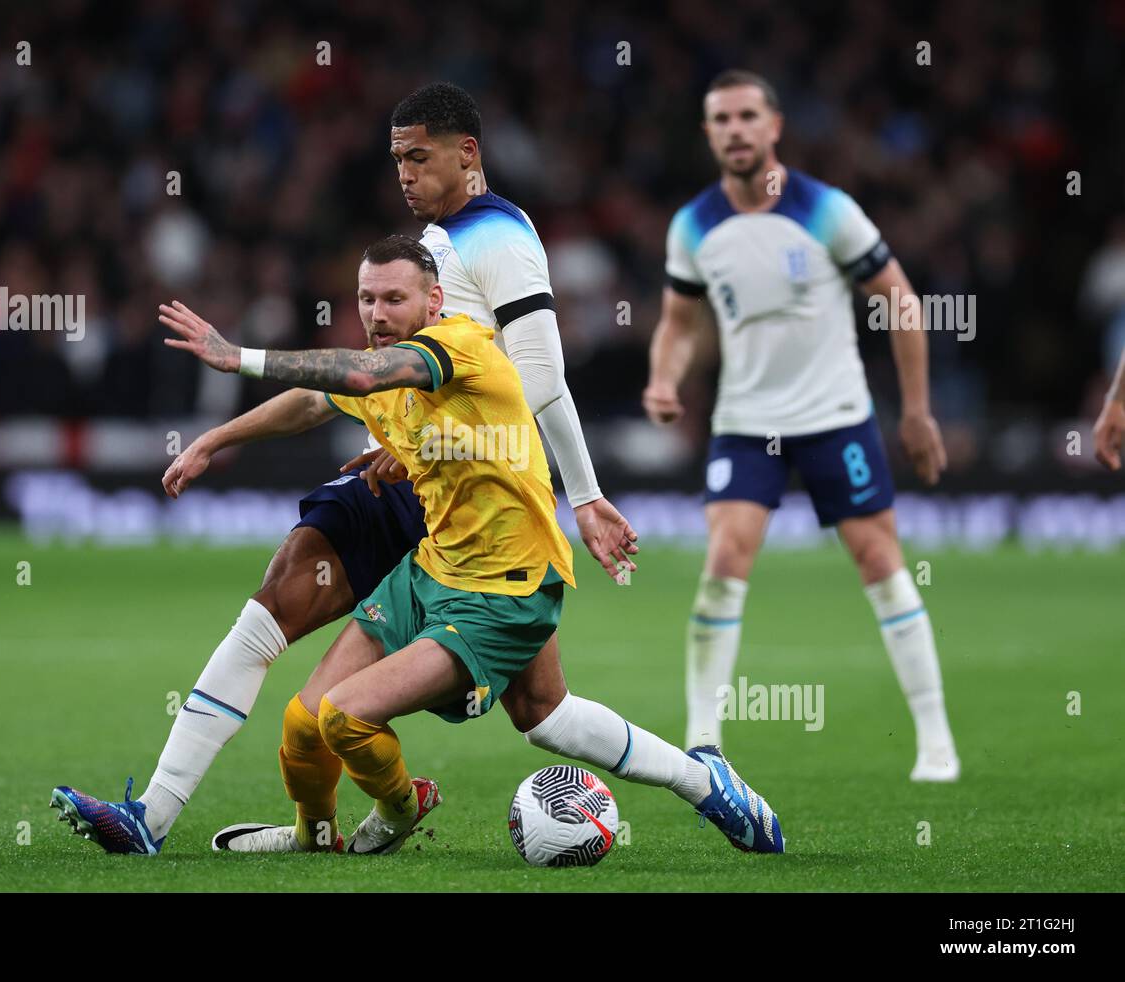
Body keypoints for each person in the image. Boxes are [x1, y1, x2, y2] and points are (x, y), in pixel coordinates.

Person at [49, 84, 660, 855]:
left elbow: (537, 378)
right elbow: (360, 378)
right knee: (278, 599)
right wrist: (222, 438)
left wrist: (577, 491)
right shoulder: (430, 246)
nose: (402, 173)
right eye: (396, 157)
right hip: (409, 476)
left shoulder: (498, 238)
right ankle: (155, 816)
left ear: (466, 154)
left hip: (467, 494)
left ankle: (697, 781)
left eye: (417, 156)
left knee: (541, 712)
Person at [143, 235, 780, 855]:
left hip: (505, 590)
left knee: (345, 718)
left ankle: (400, 810)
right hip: (432, 572)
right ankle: (317, 837)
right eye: (366, 298)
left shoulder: (457, 347)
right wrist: (213, 440)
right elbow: (315, 398)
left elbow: (364, 377)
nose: (376, 313)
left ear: (434, 301)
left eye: (394, 298)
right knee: (320, 726)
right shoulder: (381, 372)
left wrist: (241, 357)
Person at [643, 69, 959, 781]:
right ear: (708, 133)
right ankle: (704, 741)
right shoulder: (693, 225)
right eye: (721, 119)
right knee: (724, 561)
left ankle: (935, 739)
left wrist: (915, 410)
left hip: (836, 417)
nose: (736, 130)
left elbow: (902, 302)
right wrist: (665, 377)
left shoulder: (828, 211)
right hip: (745, 422)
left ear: (775, 126)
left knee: (880, 562)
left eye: (749, 116)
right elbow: (679, 322)